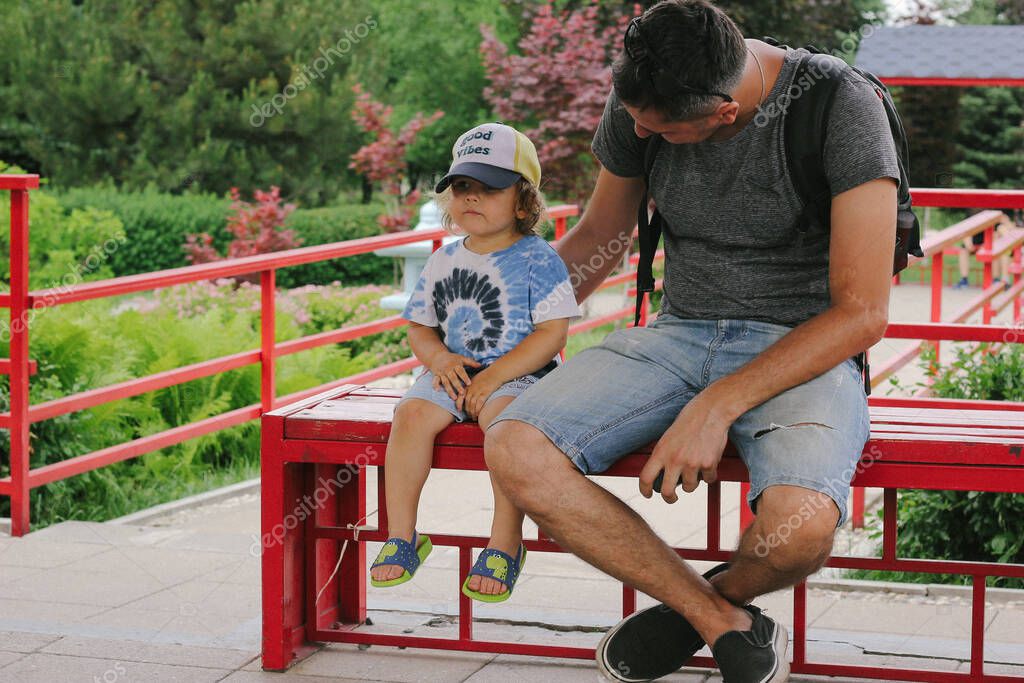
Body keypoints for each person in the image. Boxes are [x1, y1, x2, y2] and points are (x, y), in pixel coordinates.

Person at [484, 1, 899, 681]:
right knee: (515, 446)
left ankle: (696, 608)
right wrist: (499, 323)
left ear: (721, 113)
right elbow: (603, 238)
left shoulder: (840, 106)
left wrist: (718, 405)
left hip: (804, 347)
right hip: (677, 334)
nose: (637, 131)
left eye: (659, 129)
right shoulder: (642, 98)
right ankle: (717, 620)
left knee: (802, 529)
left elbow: (861, 313)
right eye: (635, 119)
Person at [368, 123, 580, 603]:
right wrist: (439, 358)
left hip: (520, 376)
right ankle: (401, 536)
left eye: (489, 188)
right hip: (454, 372)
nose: (472, 198)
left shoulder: (537, 259)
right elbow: (420, 326)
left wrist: (498, 375)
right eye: (463, 187)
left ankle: (505, 540)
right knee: (410, 414)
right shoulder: (444, 259)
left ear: (523, 202)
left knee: (504, 427)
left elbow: (553, 334)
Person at [955, 213, 1012, 290]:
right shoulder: (971, 214)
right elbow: (965, 232)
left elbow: (999, 232)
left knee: (995, 250)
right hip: (975, 241)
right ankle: (964, 279)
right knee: (963, 250)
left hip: (990, 242)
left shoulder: (994, 214)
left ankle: (996, 279)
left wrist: (990, 243)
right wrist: (967, 241)